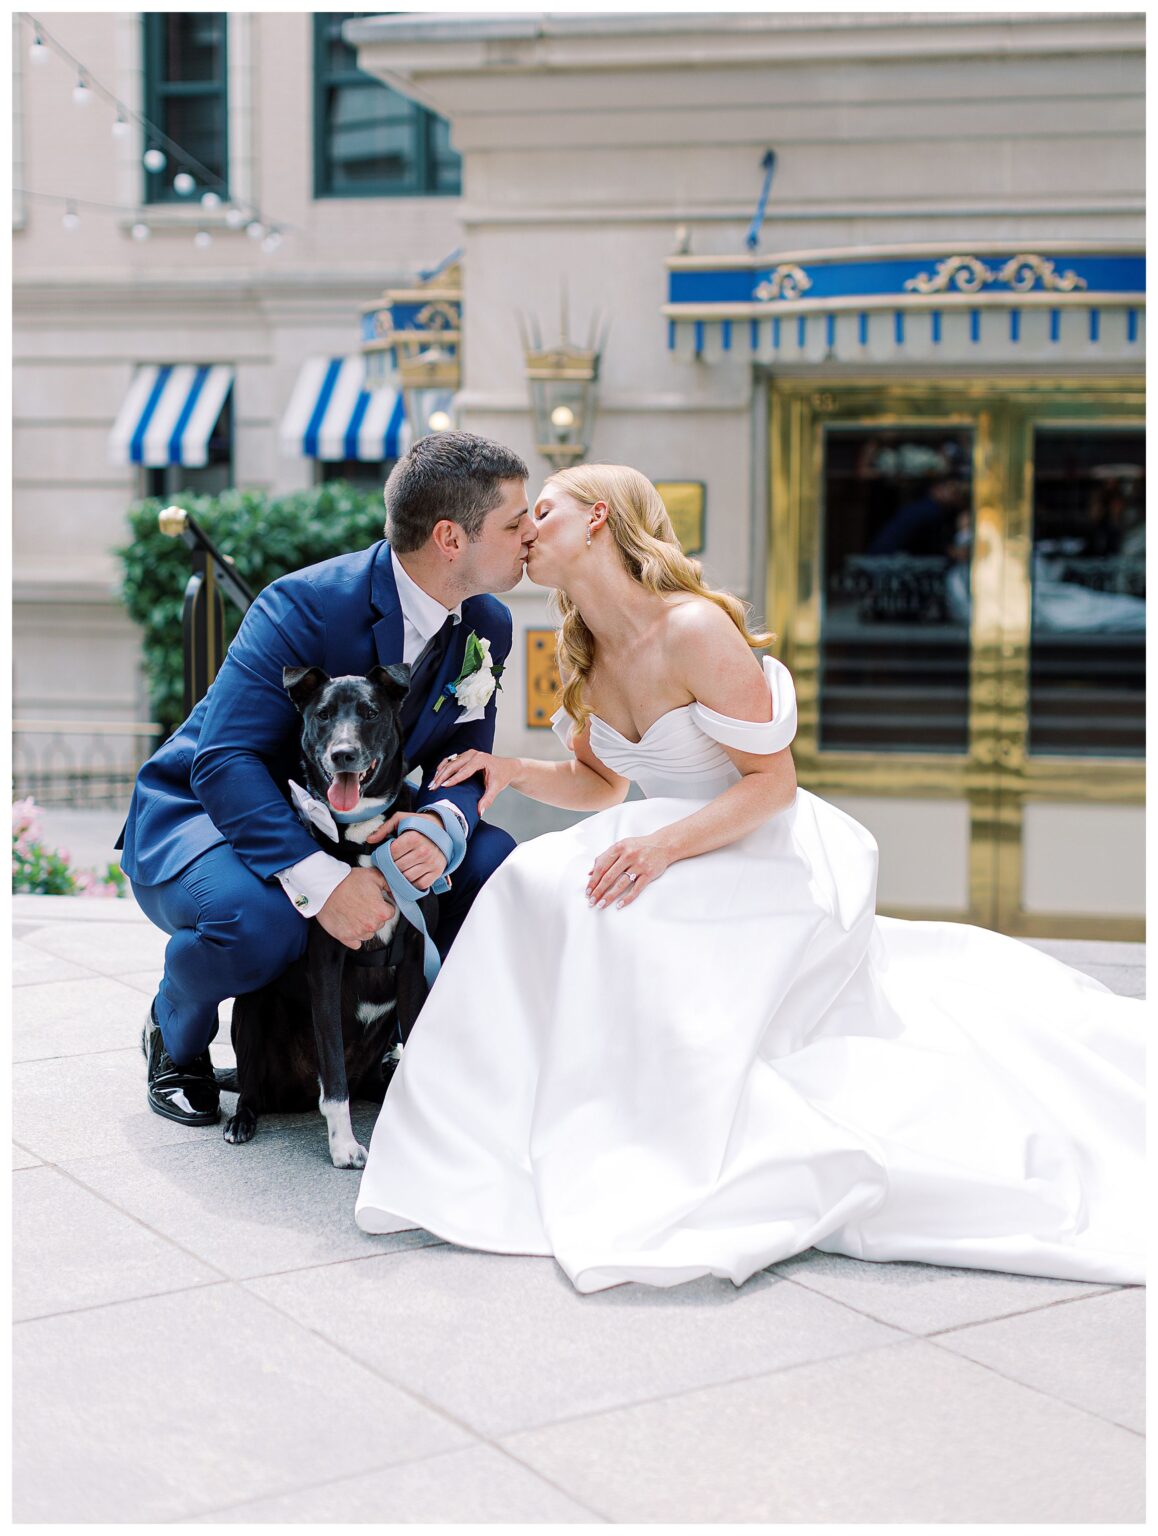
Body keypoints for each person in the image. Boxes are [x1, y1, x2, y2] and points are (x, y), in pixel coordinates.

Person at [354, 464, 1145, 1295]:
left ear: (598, 521)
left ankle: (650, 1133)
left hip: (751, 844)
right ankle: (510, 1126)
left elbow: (772, 784)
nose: (523, 532)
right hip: (663, 840)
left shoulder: (694, 629)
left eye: (539, 514)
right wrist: (512, 770)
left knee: (612, 910)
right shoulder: (580, 654)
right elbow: (602, 786)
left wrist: (663, 851)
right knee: (532, 884)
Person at [118, 432, 535, 1127]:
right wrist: (327, 882)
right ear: (450, 540)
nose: (531, 534)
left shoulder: (486, 622)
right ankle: (174, 1031)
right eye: (515, 521)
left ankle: (419, 1051)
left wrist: (440, 825)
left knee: (491, 865)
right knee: (258, 925)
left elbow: (467, 752)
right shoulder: (303, 605)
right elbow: (222, 762)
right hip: (207, 813)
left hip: (355, 817)